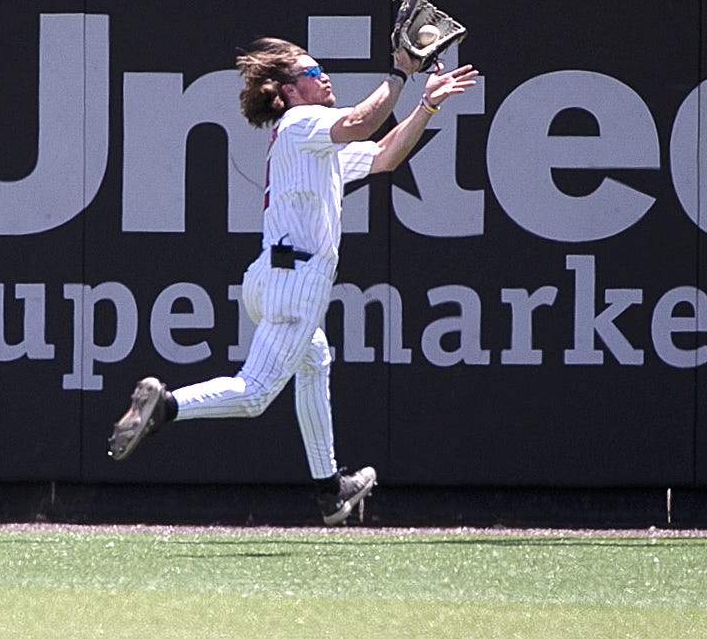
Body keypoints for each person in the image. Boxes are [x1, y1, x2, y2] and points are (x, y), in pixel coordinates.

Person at [107, 37, 479, 525]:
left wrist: (427, 104)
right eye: (312, 71)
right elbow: (362, 121)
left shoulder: (312, 146)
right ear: (287, 90)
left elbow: (385, 154)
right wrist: (401, 72)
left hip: (271, 278)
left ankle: (330, 489)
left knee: (315, 359)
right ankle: (167, 406)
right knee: (256, 392)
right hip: (297, 279)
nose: (323, 76)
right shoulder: (303, 122)